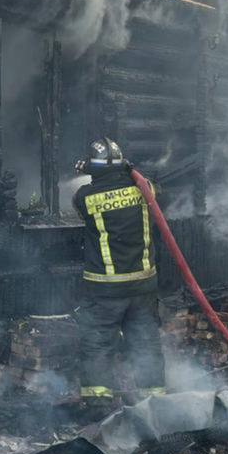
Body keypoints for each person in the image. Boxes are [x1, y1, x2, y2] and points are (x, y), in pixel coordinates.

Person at [71, 137, 166, 408]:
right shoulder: (145, 189)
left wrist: (88, 170)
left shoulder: (84, 198)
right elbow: (150, 186)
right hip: (143, 287)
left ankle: (98, 405)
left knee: (98, 344)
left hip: (105, 291)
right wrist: (126, 170)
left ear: (94, 168)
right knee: (146, 343)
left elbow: (83, 203)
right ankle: (155, 402)